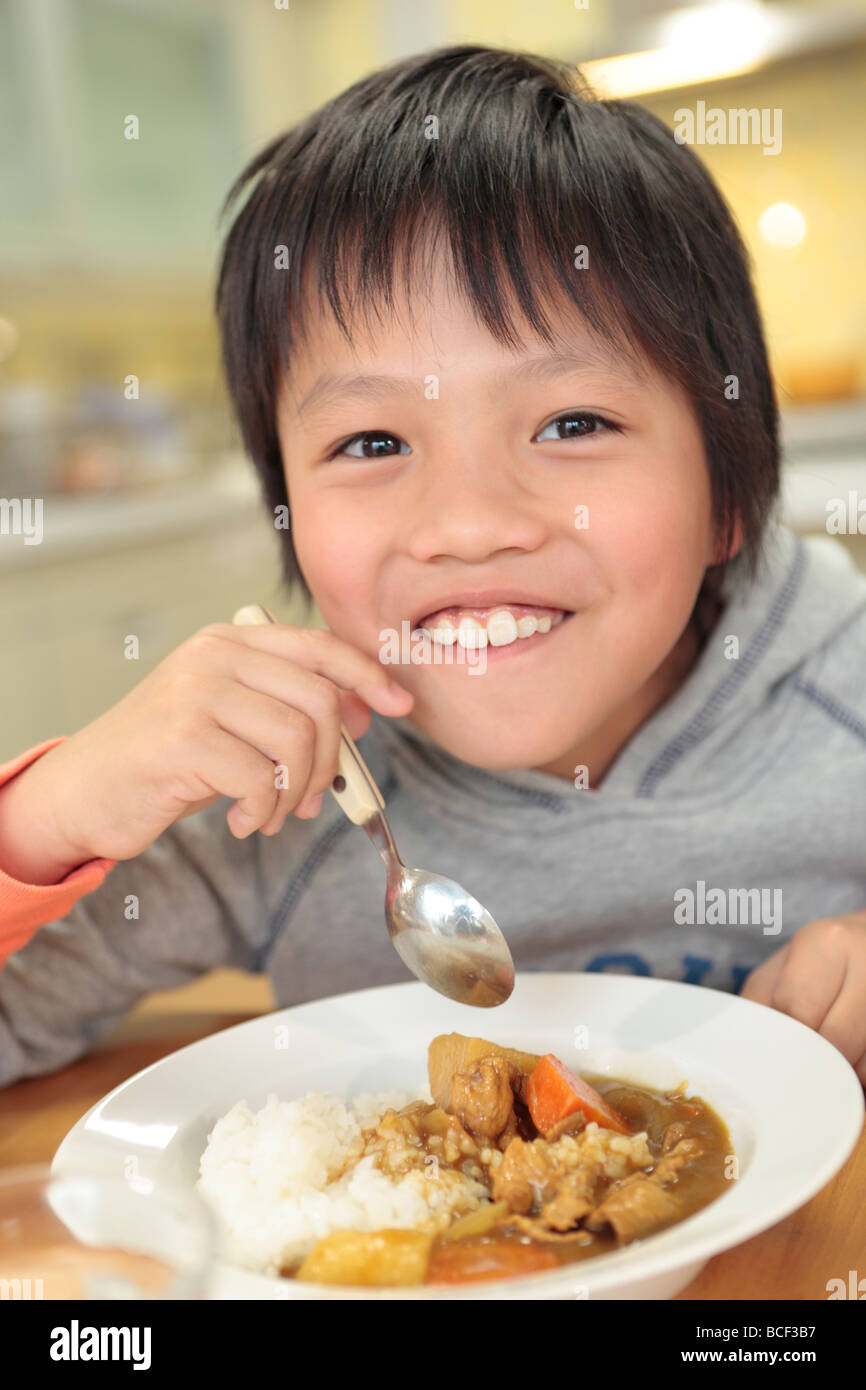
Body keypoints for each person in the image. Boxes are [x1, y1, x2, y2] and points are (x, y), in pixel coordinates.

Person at [1, 45, 864, 1088]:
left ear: (725, 496)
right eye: (372, 444)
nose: (464, 523)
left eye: (570, 421)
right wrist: (43, 821)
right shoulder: (274, 801)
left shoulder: (843, 692)